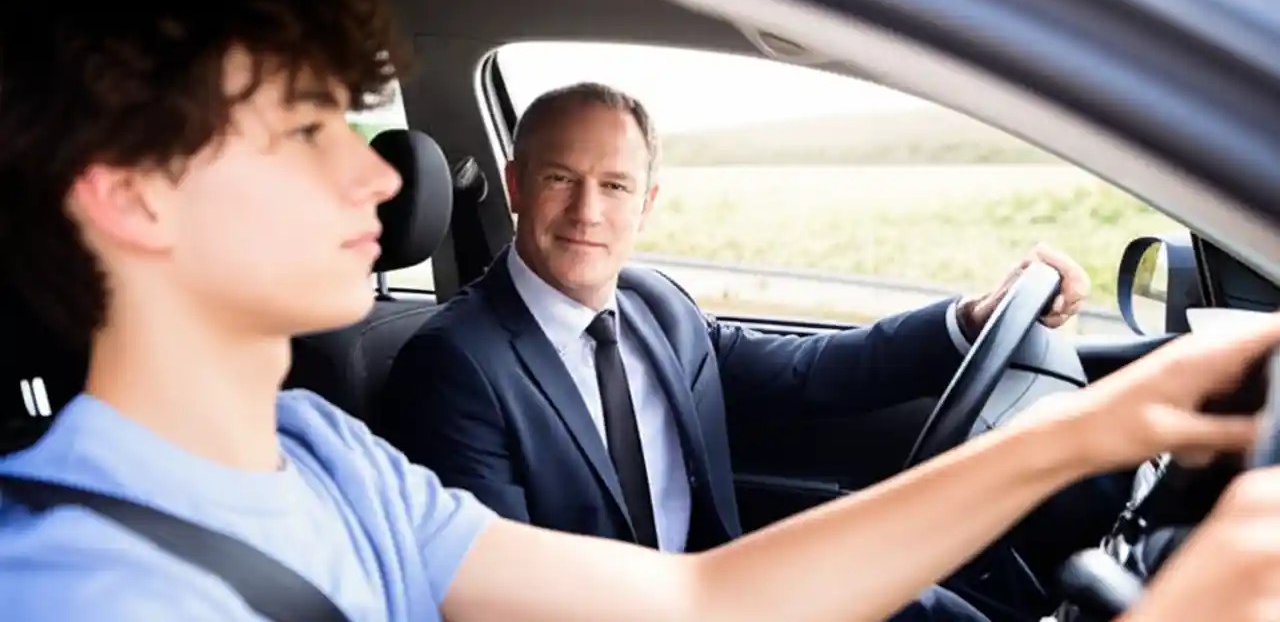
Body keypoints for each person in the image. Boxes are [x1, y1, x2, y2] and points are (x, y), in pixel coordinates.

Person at [1, 0, 1279, 622]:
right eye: (302, 132)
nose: (387, 180)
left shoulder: (329, 462)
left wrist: (1078, 436)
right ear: (128, 195)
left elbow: (695, 598)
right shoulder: (85, 588)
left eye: (359, 124)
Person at [379, 81, 1089, 615]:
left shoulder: (656, 305)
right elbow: (508, 602)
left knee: (926, 605)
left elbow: (811, 373)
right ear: (516, 187)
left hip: (726, 594)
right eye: (560, 178)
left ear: (647, 203)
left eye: (615, 185)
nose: (588, 212)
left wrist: (970, 319)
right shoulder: (455, 365)